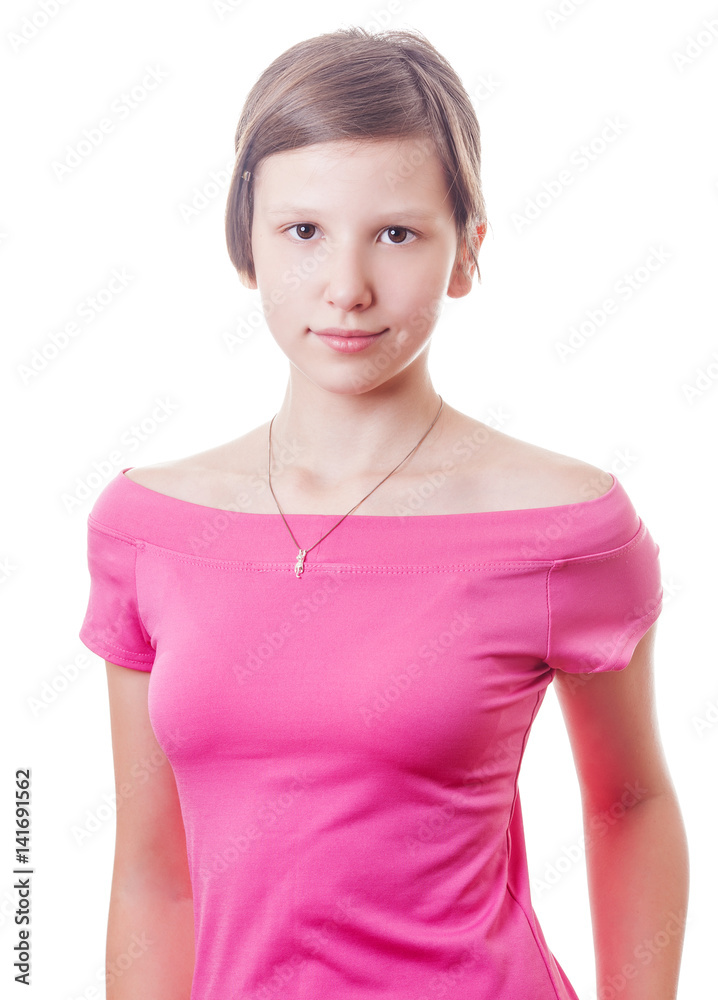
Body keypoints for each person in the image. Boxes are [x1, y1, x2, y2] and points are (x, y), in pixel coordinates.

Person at [79, 25, 689, 1000]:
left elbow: (629, 802)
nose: (347, 289)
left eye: (396, 234)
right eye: (303, 231)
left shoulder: (564, 530)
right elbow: (155, 877)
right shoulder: (148, 529)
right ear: (244, 243)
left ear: (466, 254)